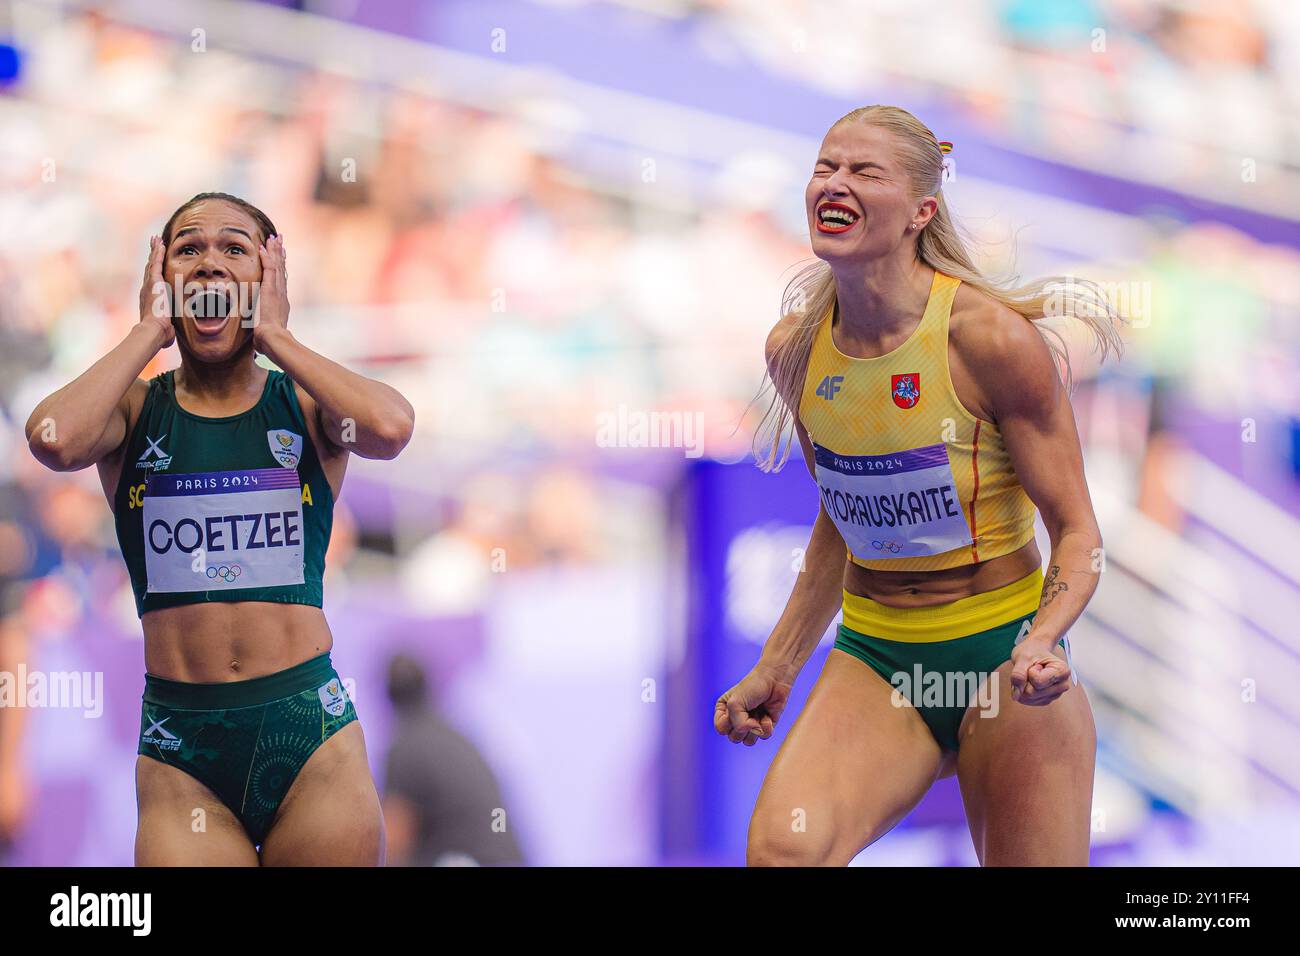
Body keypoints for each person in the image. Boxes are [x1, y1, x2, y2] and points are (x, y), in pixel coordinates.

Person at [717, 106, 1124, 866]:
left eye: (865, 172)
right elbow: (839, 526)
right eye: (825, 167)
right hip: (879, 659)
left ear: (920, 212)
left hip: (1003, 657)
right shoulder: (796, 350)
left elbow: (1078, 529)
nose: (835, 183)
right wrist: (776, 666)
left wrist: (1041, 637)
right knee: (782, 855)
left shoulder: (990, 339)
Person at [26, 192, 415, 865]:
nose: (209, 264)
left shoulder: (304, 404)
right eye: (188, 250)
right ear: (162, 278)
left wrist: (279, 339)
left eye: (234, 248)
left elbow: (391, 428)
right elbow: (54, 440)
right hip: (184, 753)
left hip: (308, 737)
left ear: (267, 277)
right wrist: (146, 331)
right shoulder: (132, 409)